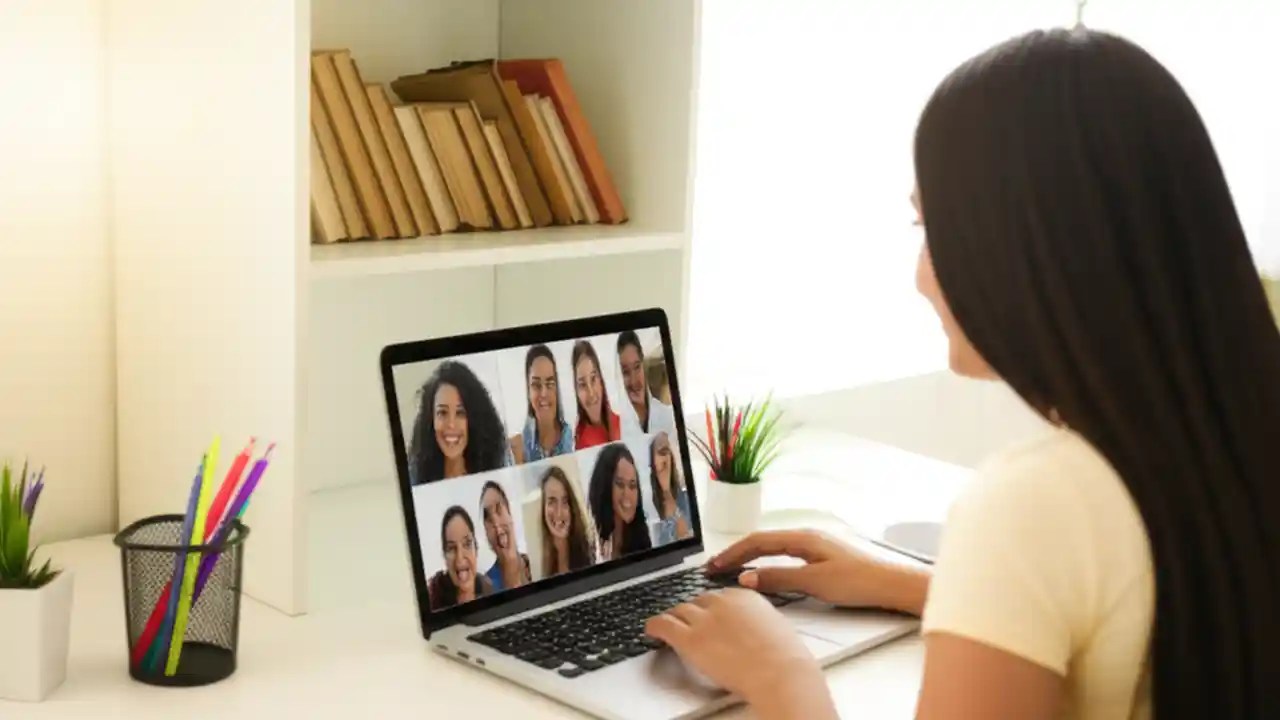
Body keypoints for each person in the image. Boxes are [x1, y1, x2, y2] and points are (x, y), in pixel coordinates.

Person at [644, 27, 1280, 720]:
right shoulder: (1232, 436)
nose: (921, 277)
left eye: (929, 228)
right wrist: (922, 587)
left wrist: (780, 674)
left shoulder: (1036, 501)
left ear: (1022, 243)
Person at [408, 360, 511, 485]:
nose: (451, 424)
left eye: (460, 413)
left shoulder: (497, 473)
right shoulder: (415, 479)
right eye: (442, 413)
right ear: (430, 420)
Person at [509, 344, 573, 464]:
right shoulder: (516, 450)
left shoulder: (574, 439)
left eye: (550, 384)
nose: (543, 393)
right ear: (528, 391)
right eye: (536, 385)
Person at [587, 443, 652, 561]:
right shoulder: (590, 543)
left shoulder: (643, 540)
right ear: (605, 486)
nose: (627, 494)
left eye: (632, 486)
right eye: (620, 484)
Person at [427, 506, 494, 611]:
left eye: (467, 544)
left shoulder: (490, 592)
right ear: (444, 557)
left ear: (476, 549)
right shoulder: (433, 599)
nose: (460, 558)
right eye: (451, 548)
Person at [615, 331, 675, 436]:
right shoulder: (617, 429)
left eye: (637, 367)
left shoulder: (667, 417)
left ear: (643, 364)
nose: (633, 381)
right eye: (625, 372)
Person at [539, 465, 595, 577]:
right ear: (543, 508)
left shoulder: (588, 553)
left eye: (565, 502)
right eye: (552, 502)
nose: (559, 513)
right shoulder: (544, 562)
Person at [478, 480, 531, 592]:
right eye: (488, 518)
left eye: (499, 510)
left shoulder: (534, 562)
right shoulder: (486, 586)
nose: (496, 525)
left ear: (509, 513)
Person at [572, 339, 621, 449]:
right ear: (577, 393)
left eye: (593, 378)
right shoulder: (582, 446)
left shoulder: (623, 424)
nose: (591, 393)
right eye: (582, 384)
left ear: (601, 381)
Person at [649, 431, 691, 544]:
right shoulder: (652, 515)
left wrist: (667, 492)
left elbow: (687, 537)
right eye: (662, 452)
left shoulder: (687, 499)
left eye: (668, 452)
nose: (667, 458)